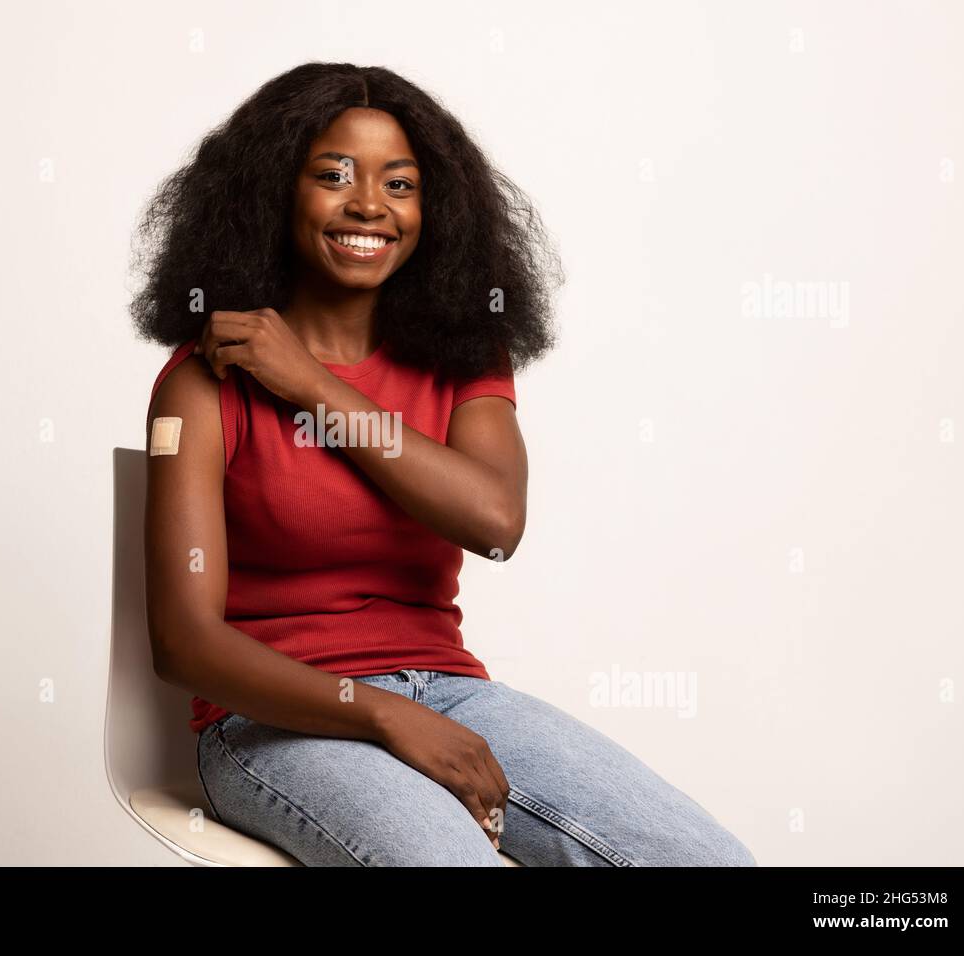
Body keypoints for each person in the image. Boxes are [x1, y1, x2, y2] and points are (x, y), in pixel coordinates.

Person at [131, 62, 756, 867]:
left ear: (434, 208)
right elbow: (183, 643)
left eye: (400, 183)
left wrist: (310, 383)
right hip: (271, 725)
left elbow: (494, 522)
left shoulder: (461, 357)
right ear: (271, 193)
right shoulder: (201, 381)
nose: (368, 205)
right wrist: (383, 716)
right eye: (332, 176)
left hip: (451, 691)